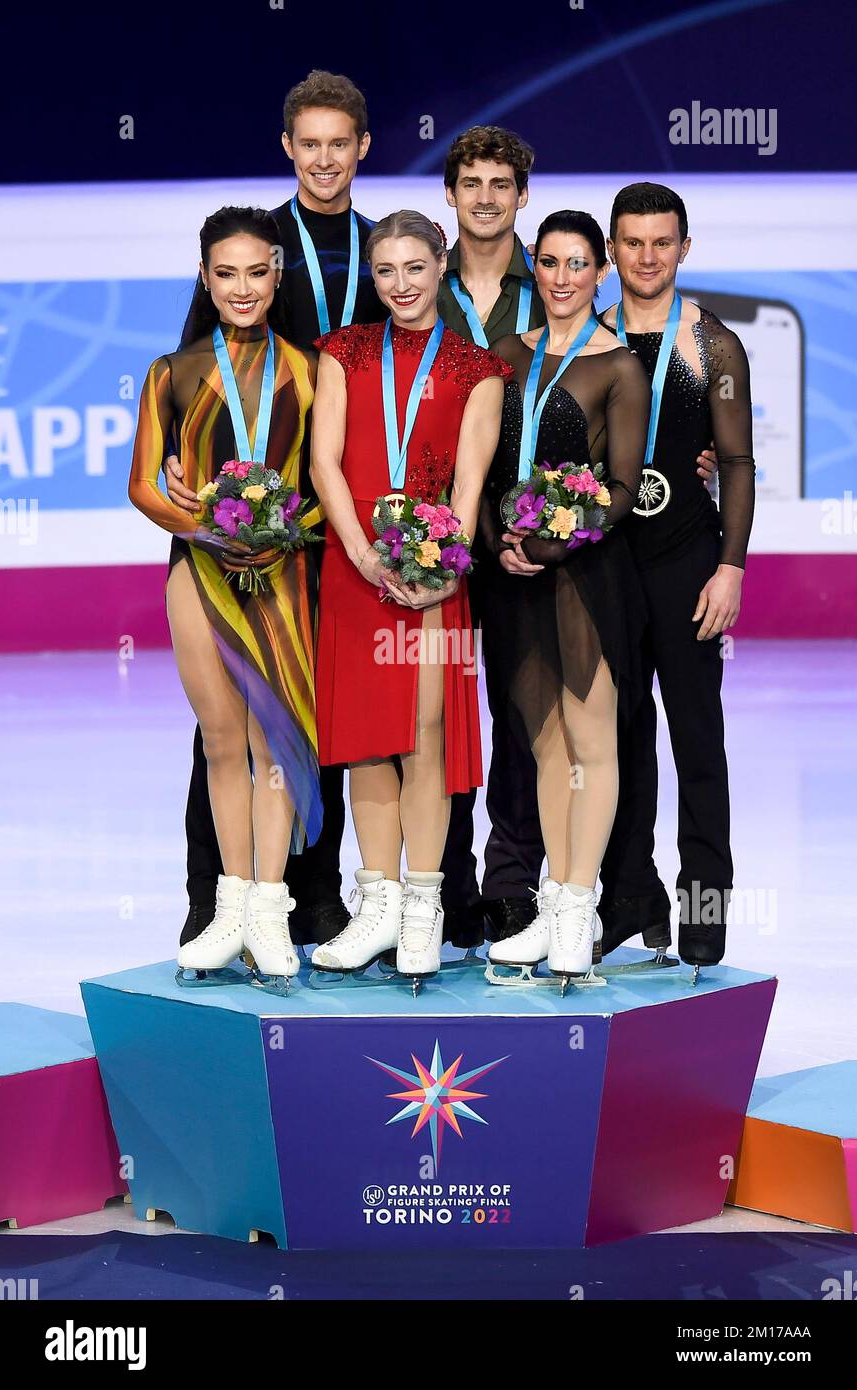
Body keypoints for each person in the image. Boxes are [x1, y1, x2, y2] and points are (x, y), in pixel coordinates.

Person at [162, 71, 385, 951]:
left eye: (341, 142)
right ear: (287, 148)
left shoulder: (381, 250)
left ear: (362, 149)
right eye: (310, 143)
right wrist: (196, 493)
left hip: (339, 515)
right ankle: (211, 891)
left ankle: (313, 894)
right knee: (228, 713)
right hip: (246, 526)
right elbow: (195, 369)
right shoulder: (250, 243)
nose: (325, 158)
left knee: (307, 708)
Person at [308, 210, 510, 985]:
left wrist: (442, 565)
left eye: (415, 269)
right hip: (354, 569)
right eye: (386, 271)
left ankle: (423, 907)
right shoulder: (343, 352)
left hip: (433, 578)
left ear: (441, 267)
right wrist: (359, 553)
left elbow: (468, 482)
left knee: (423, 732)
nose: (401, 285)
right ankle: (378, 903)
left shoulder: (476, 367)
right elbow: (325, 461)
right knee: (364, 737)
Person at [129, 206, 322, 984]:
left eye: (256, 273)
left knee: (276, 741)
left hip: (284, 567)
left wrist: (282, 529)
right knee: (221, 739)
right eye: (225, 274)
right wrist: (207, 528)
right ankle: (229, 908)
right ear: (205, 280)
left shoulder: (310, 370)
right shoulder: (170, 374)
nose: (242, 288)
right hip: (197, 567)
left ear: (277, 277)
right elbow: (143, 484)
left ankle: (271, 911)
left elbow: (322, 479)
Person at [480, 210, 651, 979]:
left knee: (593, 740)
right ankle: (553, 901)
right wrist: (498, 542)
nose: (561, 278)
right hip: (514, 574)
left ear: (600, 271)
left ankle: (581, 905)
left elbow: (621, 489)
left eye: (578, 264)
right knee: (544, 739)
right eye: (548, 262)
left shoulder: (618, 366)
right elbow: (480, 469)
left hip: (587, 575)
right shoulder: (505, 355)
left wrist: (556, 540)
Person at [598, 182, 756, 970]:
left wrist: (730, 567)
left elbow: (736, 462)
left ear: (684, 249)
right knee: (616, 737)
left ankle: (704, 911)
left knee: (697, 740)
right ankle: (628, 896)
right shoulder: (588, 336)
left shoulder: (714, 346)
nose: (647, 257)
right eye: (632, 242)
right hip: (608, 565)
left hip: (690, 563)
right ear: (611, 249)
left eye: (663, 243)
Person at [435, 124, 548, 952]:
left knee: (518, 708)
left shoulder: (549, 284)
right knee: (433, 712)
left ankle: (512, 882)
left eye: (499, 183)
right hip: (427, 531)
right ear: (451, 193)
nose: (484, 197)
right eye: (470, 181)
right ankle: (441, 885)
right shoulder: (411, 276)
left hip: (518, 532)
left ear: (520, 195)